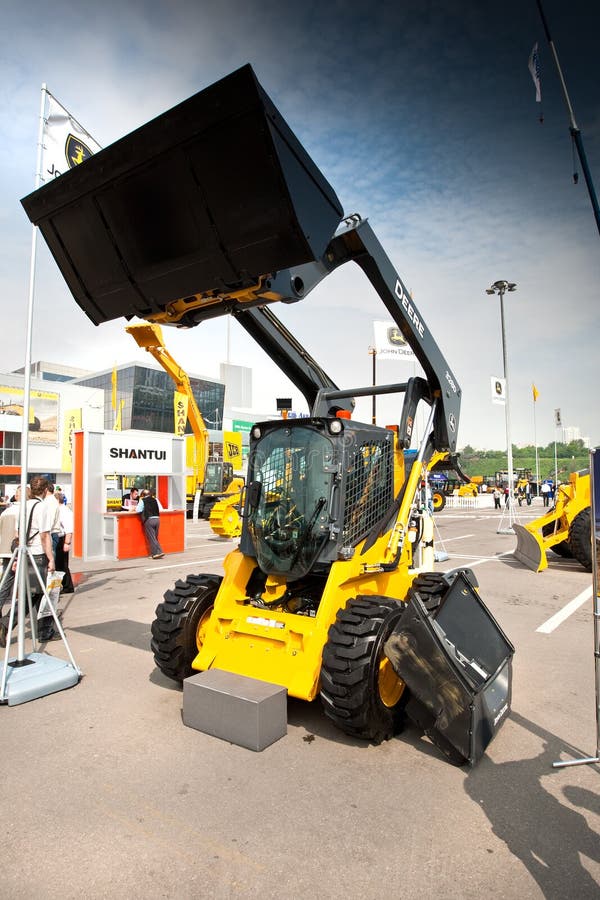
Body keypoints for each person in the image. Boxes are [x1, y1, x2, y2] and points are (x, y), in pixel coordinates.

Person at [0, 476, 56, 647]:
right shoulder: (42, 507)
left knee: (33, 593)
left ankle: (43, 629)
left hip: (24, 552)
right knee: (39, 593)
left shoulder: (23, 506)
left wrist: (17, 557)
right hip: (38, 554)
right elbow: (44, 536)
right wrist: (51, 559)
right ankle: (8, 623)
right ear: (45, 490)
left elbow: (18, 535)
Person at [54, 491, 75, 594]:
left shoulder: (64, 511)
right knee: (60, 564)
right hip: (60, 538)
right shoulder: (61, 510)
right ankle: (65, 585)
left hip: (62, 539)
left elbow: (69, 528)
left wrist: (67, 543)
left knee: (62, 564)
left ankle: (67, 586)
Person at [136, 488, 164, 558]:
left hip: (149, 520)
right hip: (157, 519)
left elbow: (138, 510)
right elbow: (160, 509)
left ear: (142, 495)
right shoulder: (155, 500)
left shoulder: (143, 500)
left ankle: (157, 553)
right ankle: (157, 552)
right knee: (154, 537)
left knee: (152, 538)